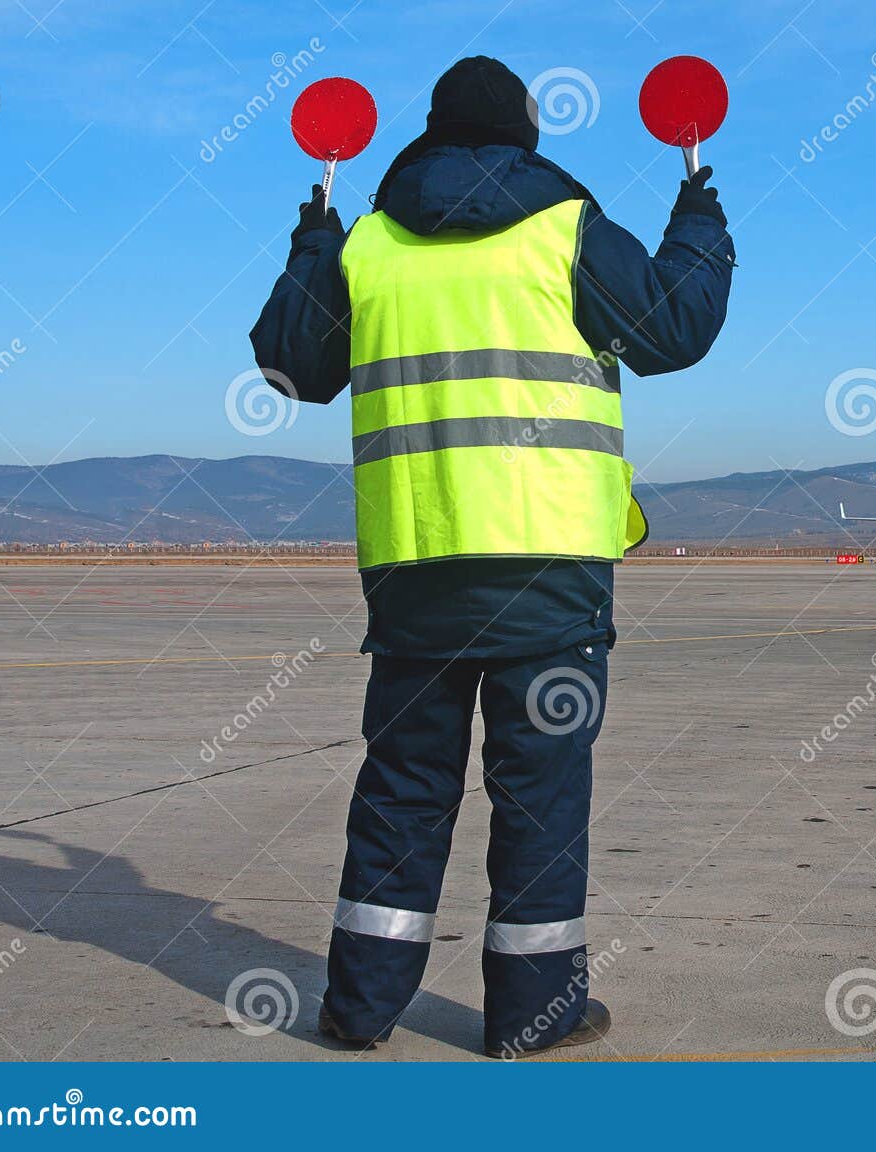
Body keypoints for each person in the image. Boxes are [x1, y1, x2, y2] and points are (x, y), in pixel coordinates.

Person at [249, 55, 734, 1057]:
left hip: (416, 571)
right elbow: (673, 330)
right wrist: (699, 220)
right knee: (540, 796)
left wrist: (313, 243)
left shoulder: (372, 244)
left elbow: (290, 367)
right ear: (525, 137)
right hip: (546, 572)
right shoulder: (562, 227)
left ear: (429, 134)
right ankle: (532, 1013)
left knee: (401, 790)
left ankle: (358, 1007)